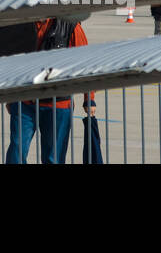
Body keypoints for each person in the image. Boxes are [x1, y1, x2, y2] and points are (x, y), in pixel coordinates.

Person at [5, 17, 95, 164]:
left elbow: (84, 63)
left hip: (58, 104)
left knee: (53, 158)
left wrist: (89, 98)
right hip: (25, 102)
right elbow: (12, 61)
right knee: (16, 152)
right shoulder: (22, 24)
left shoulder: (70, 25)